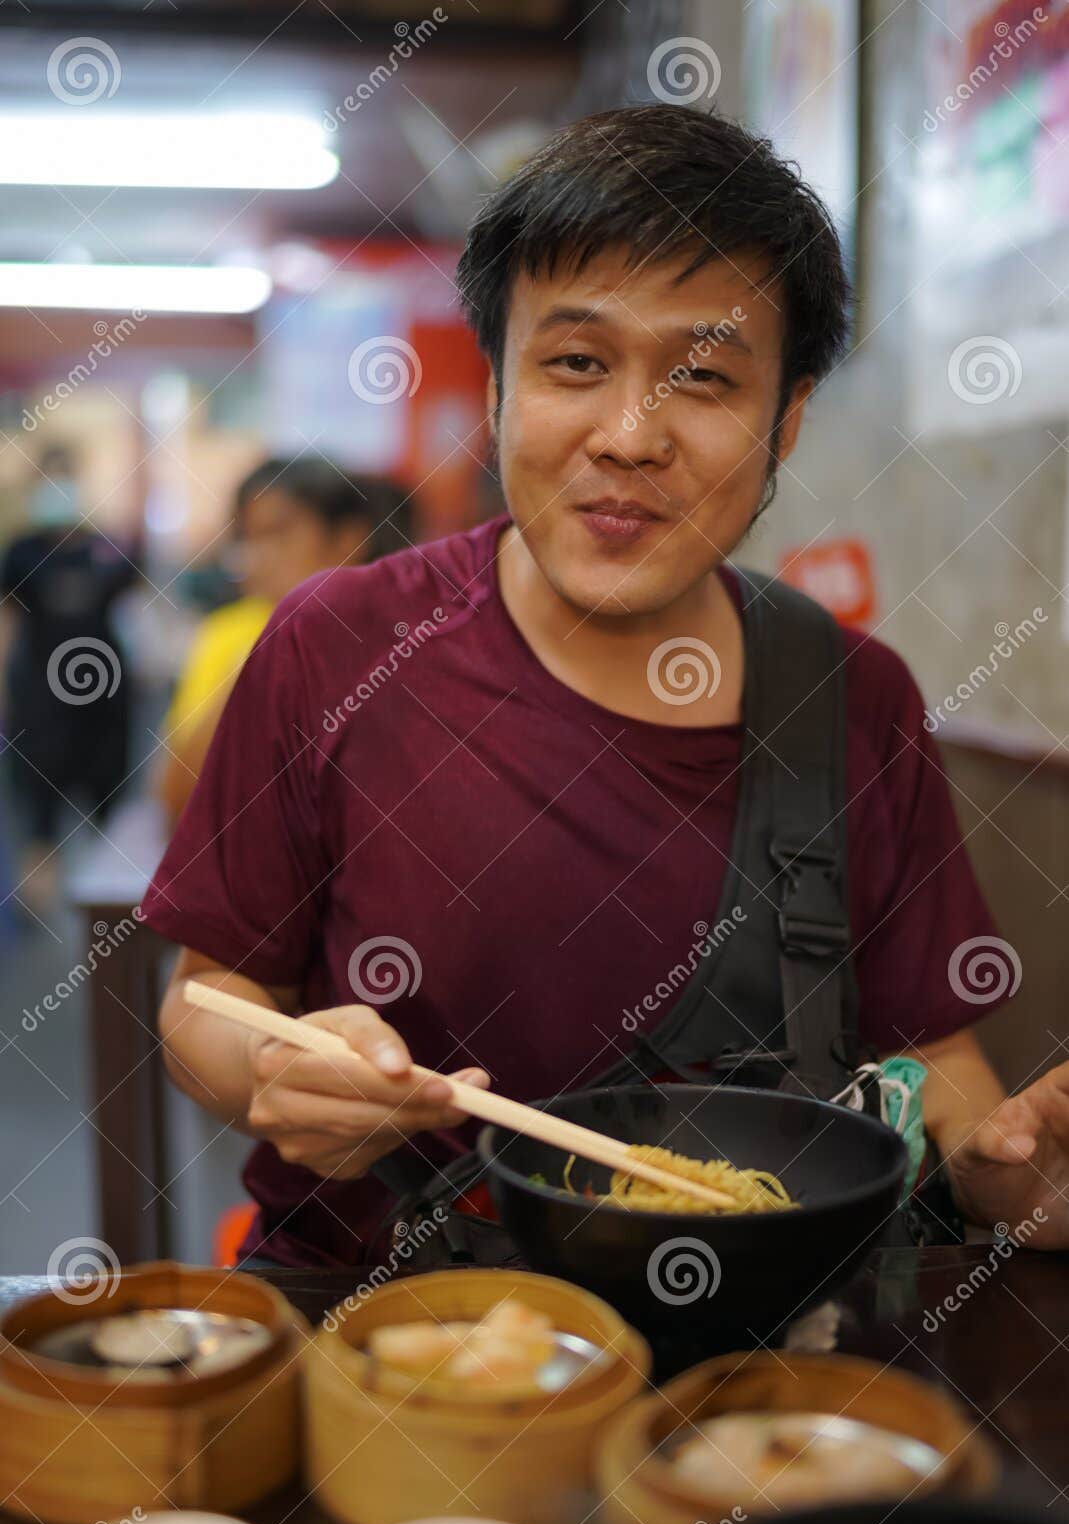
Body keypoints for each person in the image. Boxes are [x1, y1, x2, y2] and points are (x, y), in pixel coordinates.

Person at [142, 105, 1067, 1270]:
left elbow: (933, 1055)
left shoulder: (854, 698)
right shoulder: (336, 644)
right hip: (387, 1338)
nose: (629, 436)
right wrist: (273, 1073)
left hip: (744, 1355)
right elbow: (207, 997)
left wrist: (1005, 1177)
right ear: (496, 389)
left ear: (785, 421)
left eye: (704, 380)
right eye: (575, 363)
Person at [155, 457, 406, 825]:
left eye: (278, 534)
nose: (257, 559)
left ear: (348, 539)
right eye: (249, 538)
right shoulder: (228, 635)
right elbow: (178, 801)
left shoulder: (398, 638)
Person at [0, 446, 137, 912]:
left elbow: (141, 612)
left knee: (111, 808)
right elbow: (7, 621)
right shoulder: (21, 553)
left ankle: (113, 916)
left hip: (104, 699)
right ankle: (39, 930)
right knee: (39, 816)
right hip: (39, 702)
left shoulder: (108, 548)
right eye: (50, 478)